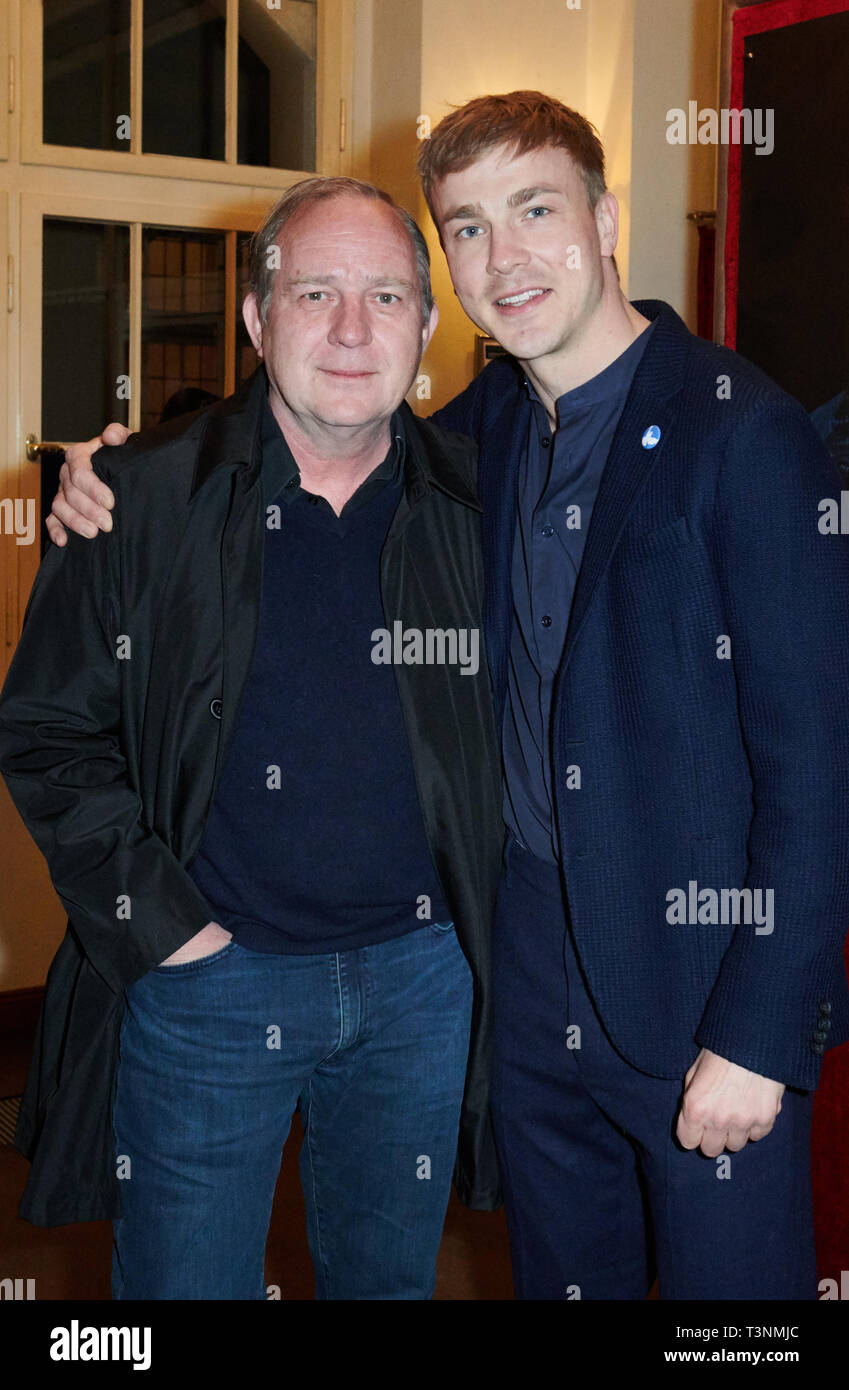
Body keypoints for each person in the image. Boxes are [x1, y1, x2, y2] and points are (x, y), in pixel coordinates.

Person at [45, 91, 849, 1302]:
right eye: (466, 227)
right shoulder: (484, 438)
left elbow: (818, 765)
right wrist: (100, 476)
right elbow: (312, 419)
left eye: (535, 209)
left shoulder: (741, 432)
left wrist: (762, 1030)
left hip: (693, 999)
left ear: (607, 216)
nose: (503, 254)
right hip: (518, 988)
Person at [0, 177, 503, 1301]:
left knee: (389, 1285)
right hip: (209, 987)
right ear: (255, 316)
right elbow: (46, 737)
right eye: (315, 290)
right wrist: (171, 934)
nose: (350, 327)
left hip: (424, 986)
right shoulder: (138, 497)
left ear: (427, 327)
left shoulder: (483, 505)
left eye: (385, 295)